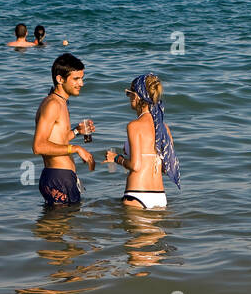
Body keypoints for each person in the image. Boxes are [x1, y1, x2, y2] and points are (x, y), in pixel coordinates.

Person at [105, 74, 180, 209]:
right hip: (160, 196)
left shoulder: (134, 126)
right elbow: (166, 167)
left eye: (129, 94)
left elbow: (136, 166)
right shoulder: (164, 128)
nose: (129, 98)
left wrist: (116, 158)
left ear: (137, 96)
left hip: (137, 194)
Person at [32, 54, 96, 206]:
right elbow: (38, 146)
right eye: (76, 79)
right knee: (59, 227)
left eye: (82, 78)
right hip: (58, 178)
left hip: (61, 177)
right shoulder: (53, 104)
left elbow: (56, 140)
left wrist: (76, 131)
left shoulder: (60, 102)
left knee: (63, 228)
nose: (81, 83)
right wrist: (76, 149)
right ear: (60, 79)